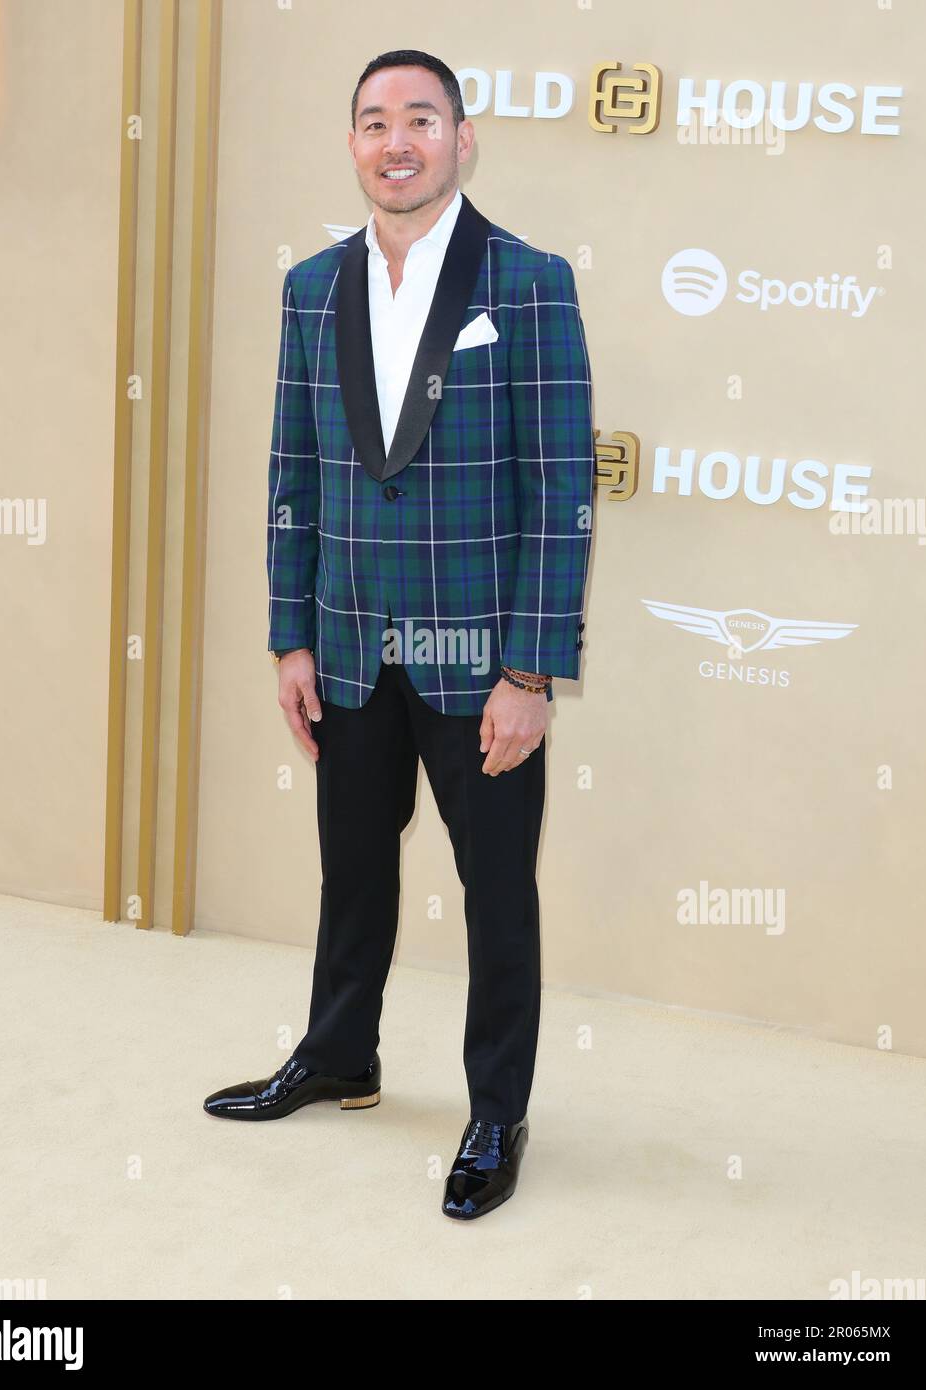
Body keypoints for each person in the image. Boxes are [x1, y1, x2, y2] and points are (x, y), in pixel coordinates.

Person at [204, 48, 596, 1221]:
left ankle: (495, 1110)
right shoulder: (311, 285)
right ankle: (339, 1055)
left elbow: (563, 481)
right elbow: (295, 467)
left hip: (483, 659)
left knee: (495, 891)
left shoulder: (527, 282)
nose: (397, 140)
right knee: (353, 874)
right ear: (354, 144)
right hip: (348, 643)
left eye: (420, 118)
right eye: (374, 121)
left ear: (463, 139)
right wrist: (290, 635)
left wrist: (531, 669)